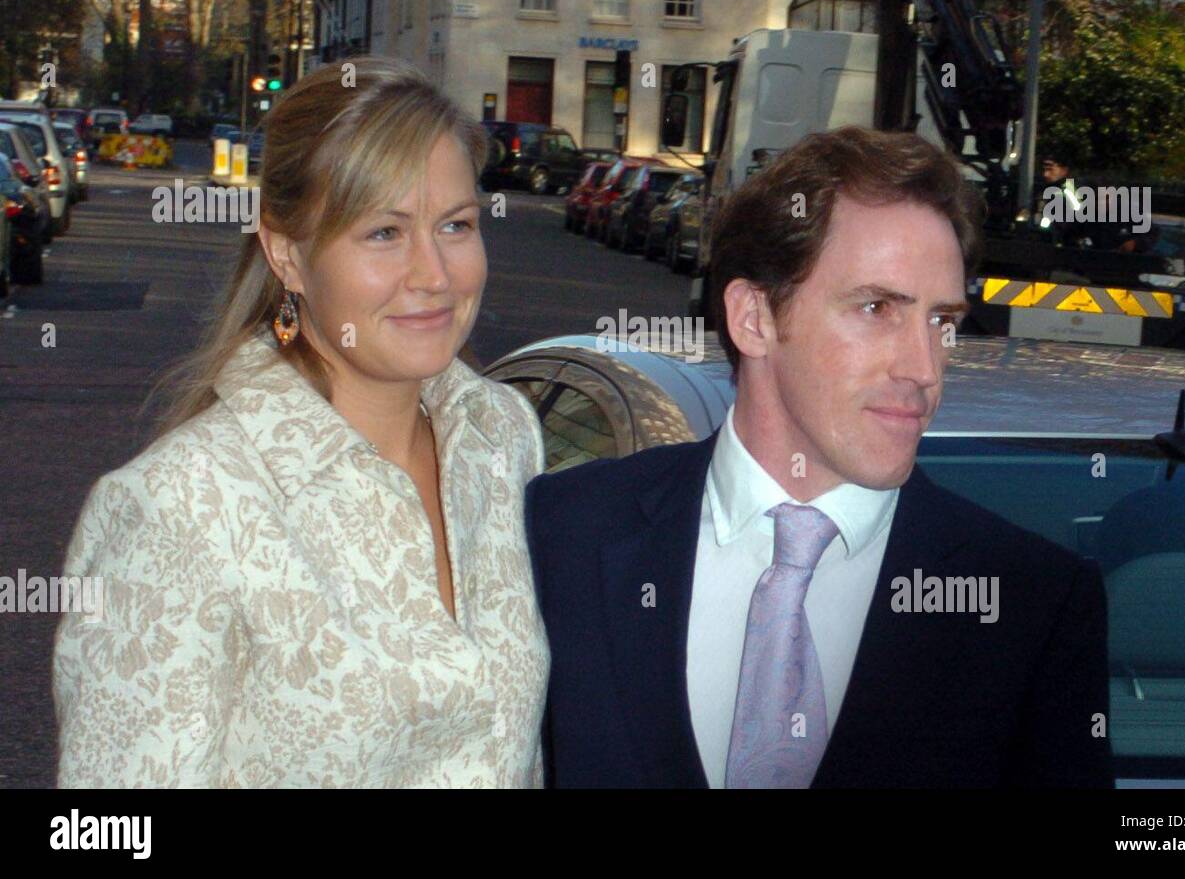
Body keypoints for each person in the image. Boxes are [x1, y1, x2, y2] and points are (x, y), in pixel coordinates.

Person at [527, 126, 1114, 788]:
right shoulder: (563, 534)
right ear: (754, 318)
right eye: (875, 308)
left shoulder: (1030, 603)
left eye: (942, 321)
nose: (924, 368)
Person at [53, 57, 549, 787]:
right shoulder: (181, 506)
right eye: (384, 232)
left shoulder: (502, 435)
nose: (435, 274)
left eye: (456, 225)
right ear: (287, 253)